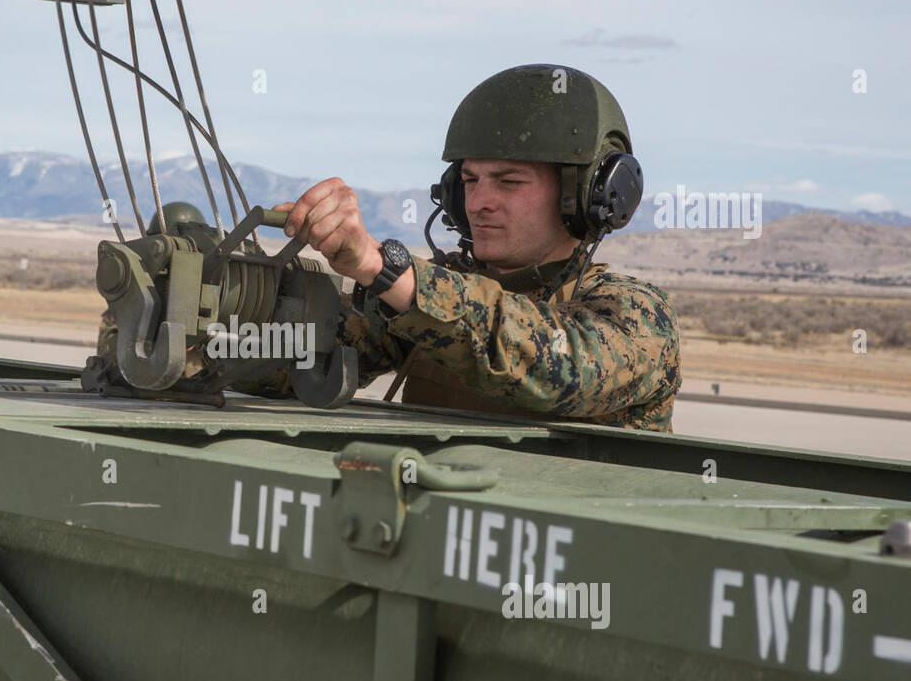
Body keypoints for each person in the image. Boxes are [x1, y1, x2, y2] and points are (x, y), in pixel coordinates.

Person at [97, 64, 681, 432]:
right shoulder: (415, 302)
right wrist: (195, 311)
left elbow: (554, 367)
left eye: (508, 182)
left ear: (586, 196)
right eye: (470, 181)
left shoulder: (635, 318)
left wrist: (381, 266)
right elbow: (298, 360)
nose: (480, 202)